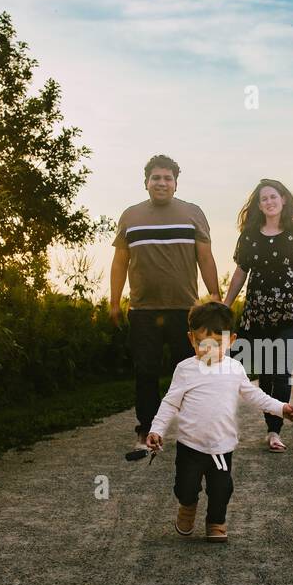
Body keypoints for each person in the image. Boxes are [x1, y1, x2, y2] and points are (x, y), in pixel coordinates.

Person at [146, 301, 293, 542]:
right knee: (185, 487)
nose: (208, 349)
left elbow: (254, 395)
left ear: (231, 340)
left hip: (221, 446)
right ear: (191, 339)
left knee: (221, 489)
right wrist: (156, 430)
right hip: (190, 446)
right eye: (201, 342)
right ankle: (187, 506)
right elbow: (169, 403)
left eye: (217, 343)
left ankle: (216, 521)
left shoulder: (234, 369)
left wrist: (280, 408)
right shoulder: (185, 370)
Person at [109, 154, 220, 451]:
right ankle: (146, 431)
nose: (161, 183)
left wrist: (216, 296)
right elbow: (120, 262)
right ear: (146, 183)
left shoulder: (193, 213)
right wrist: (114, 301)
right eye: (156, 178)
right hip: (142, 310)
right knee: (145, 372)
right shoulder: (130, 217)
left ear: (175, 183)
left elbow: (205, 258)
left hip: (186, 310)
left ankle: (192, 431)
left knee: (188, 372)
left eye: (167, 178)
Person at [222, 179, 293, 452]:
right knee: (266, 373)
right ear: (259, 205)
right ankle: (271, 428)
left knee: (281, 370)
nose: (269, 202)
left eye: (273, 196)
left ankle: (276, 431)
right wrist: (225, 305)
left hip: (291, 310)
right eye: (263, 199)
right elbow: (240, 274)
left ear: (283, 199)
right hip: (258, 312)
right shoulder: (249, 236)